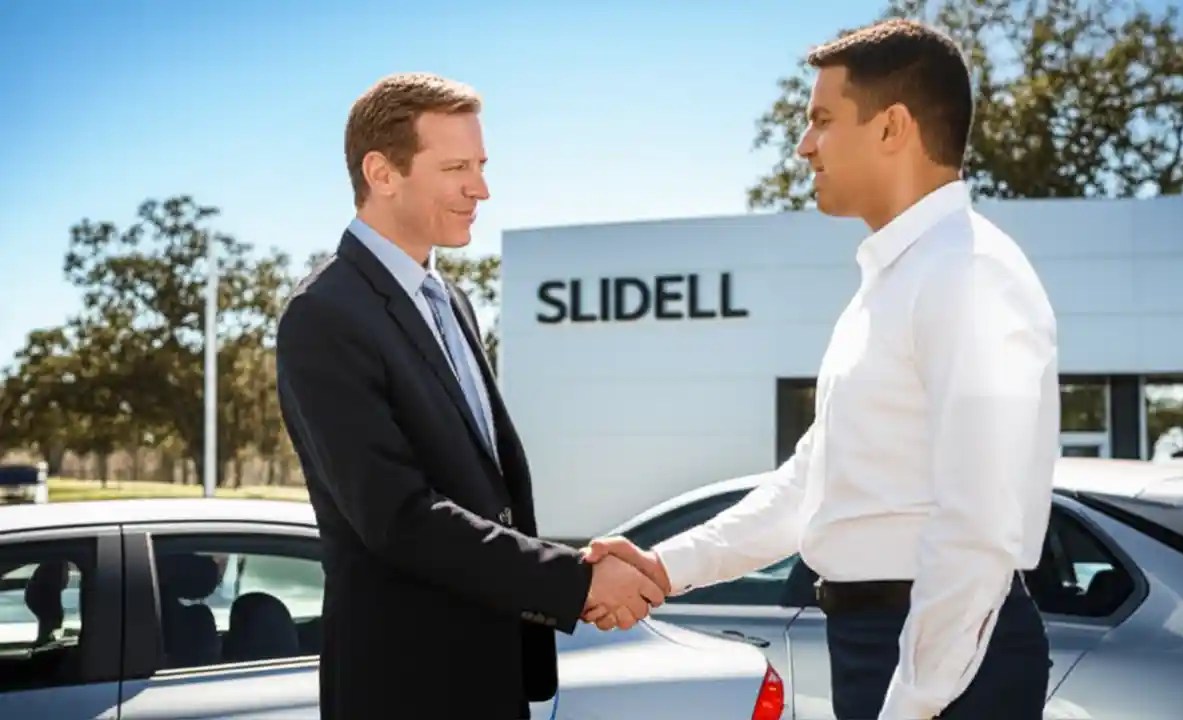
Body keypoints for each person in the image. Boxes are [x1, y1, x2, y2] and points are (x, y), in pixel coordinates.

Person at [584, 19, 1060, 720]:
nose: (804, 145)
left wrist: (916, 700)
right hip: (881, 644)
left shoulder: (967, 272)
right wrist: (664, 567)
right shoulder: (893, 283)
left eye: (822, 120)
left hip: (943, 667)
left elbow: (979, 523)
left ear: (892, 127)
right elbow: (812, 486)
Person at [275, 72, 664, 720]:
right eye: (456, 167)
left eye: (480, 166)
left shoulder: (450, 301)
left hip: (492, 676)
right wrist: (576, 579)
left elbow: (486, 492)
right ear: (382, 172)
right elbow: (399, 517)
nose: (480, 188)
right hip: (403, 688)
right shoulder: (323, 315)